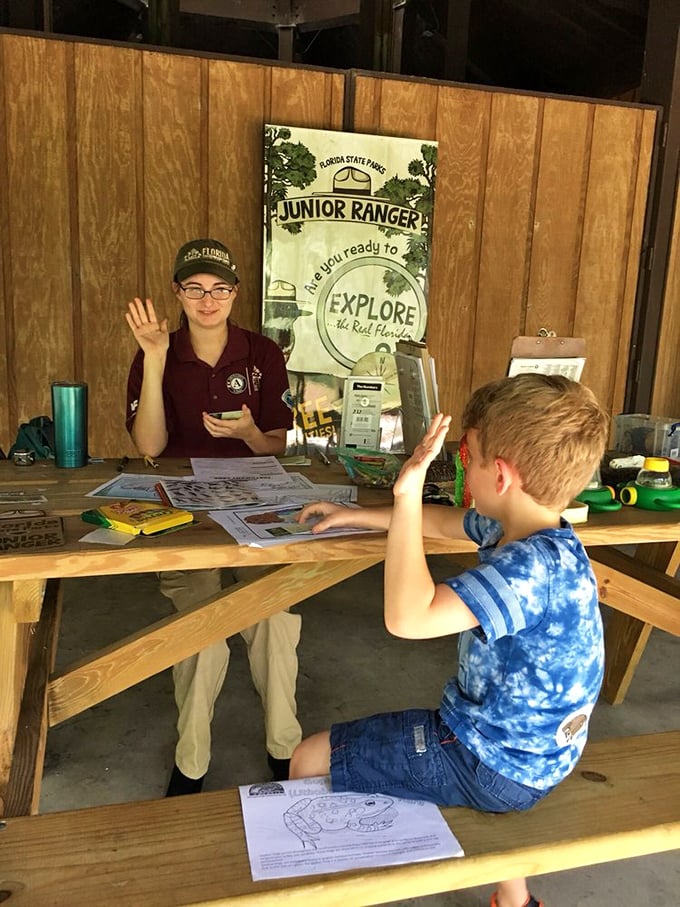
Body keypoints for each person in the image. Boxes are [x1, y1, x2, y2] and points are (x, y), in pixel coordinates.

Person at [291, 373, 609, 907]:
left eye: (468, 456)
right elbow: (443, 523)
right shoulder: (540, 534)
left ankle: (312, 886)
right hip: (540, 752)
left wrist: (406, 489)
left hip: (488, 761)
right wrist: (362, 516)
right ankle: (514, 898)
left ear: (501, 475)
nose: (463, 469)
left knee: (307, 760)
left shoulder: (526, 570)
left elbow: (407, 618)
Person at [125, 238, 302, 796]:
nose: (208, 300)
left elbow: (276, 442)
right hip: (185, 509)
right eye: (196, 289)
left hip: (256, 503)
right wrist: (153, 361)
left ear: (234, 294)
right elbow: (150, 446)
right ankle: (191, 762)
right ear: (178, 293)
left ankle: (285, 750)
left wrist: (249, 433)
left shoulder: (262, 353)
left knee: (273, 618)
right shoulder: (158, 349)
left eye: (219, 289)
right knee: (203, 629)